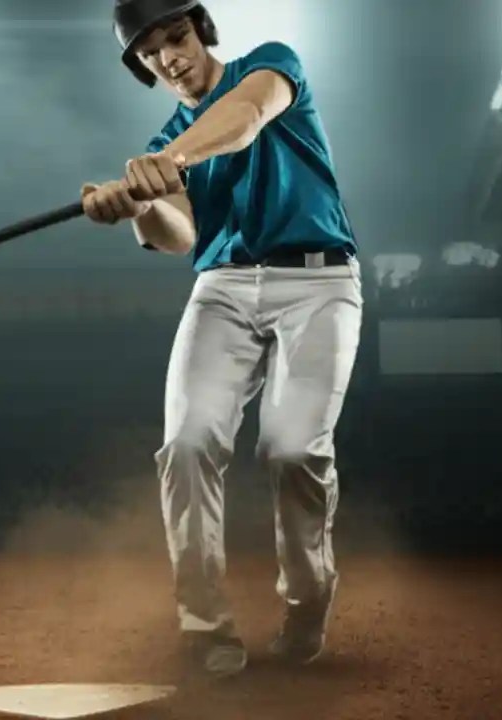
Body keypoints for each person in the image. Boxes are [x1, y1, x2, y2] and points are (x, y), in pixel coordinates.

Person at [81, 0, 364, 679]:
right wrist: (139, 203)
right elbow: (180, 237)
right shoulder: (163, 143)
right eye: (150, 53)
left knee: (293, 449)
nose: (169, 59)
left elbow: (242, 121)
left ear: (200, 28)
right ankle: (205, 626)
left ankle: (307, 605)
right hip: (224, 287)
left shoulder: (270, 65)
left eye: (176, 37)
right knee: (185, 445)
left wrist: (167, 162)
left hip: (319, 281)